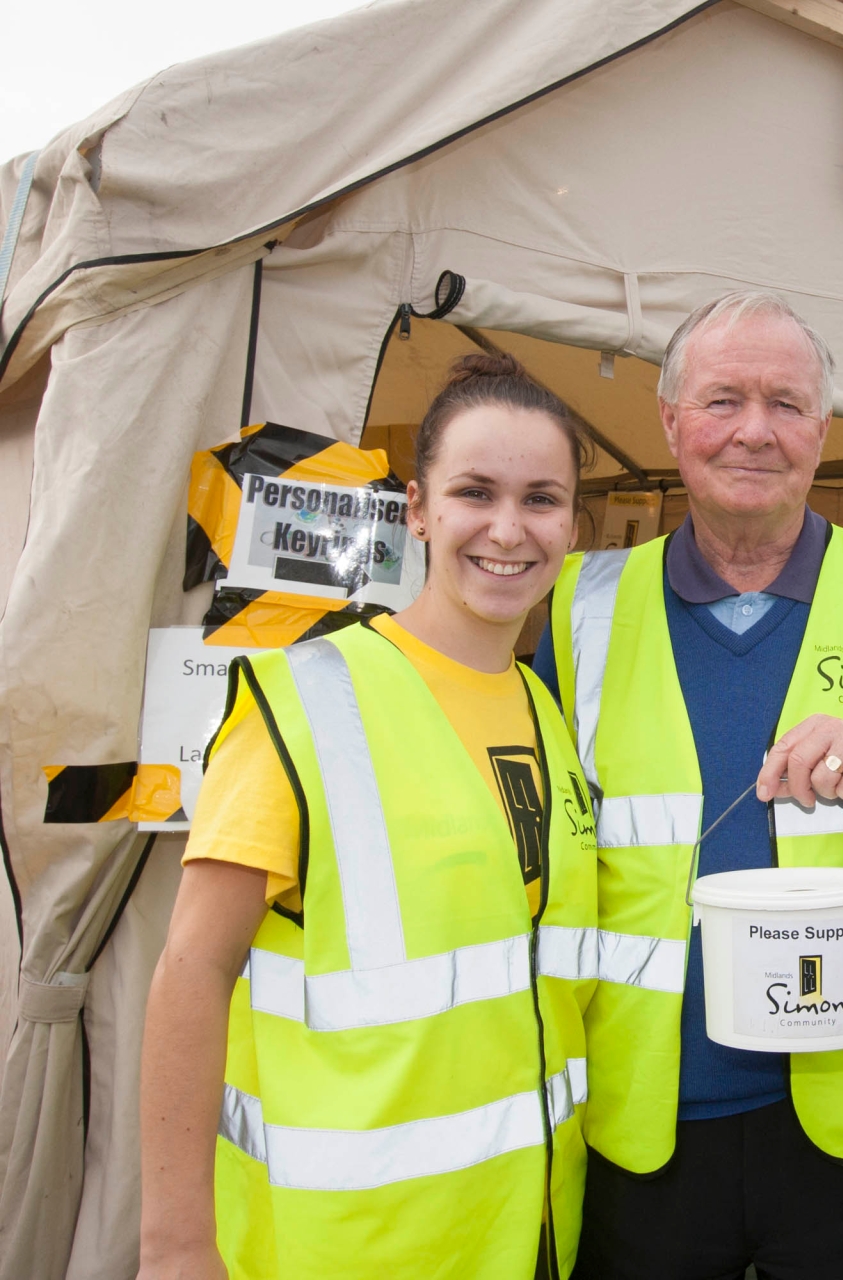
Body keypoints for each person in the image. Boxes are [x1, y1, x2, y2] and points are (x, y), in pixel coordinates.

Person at [531, 290, 843, 1280]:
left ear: (822, 428)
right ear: (671, 421)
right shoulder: (578, 608)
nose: (754, 431)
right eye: (724, 400)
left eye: (785, 403)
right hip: (647, 1122)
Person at [138, 353, 601, 1280]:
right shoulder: (306, 704)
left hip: (528, 1232)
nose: (509, 529)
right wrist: (176, 1244)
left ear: (573, 526)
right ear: (419, 510)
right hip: (349, 1248)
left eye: (542, 499)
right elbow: (193, 967)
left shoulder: (547, 710)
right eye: (476, 491)